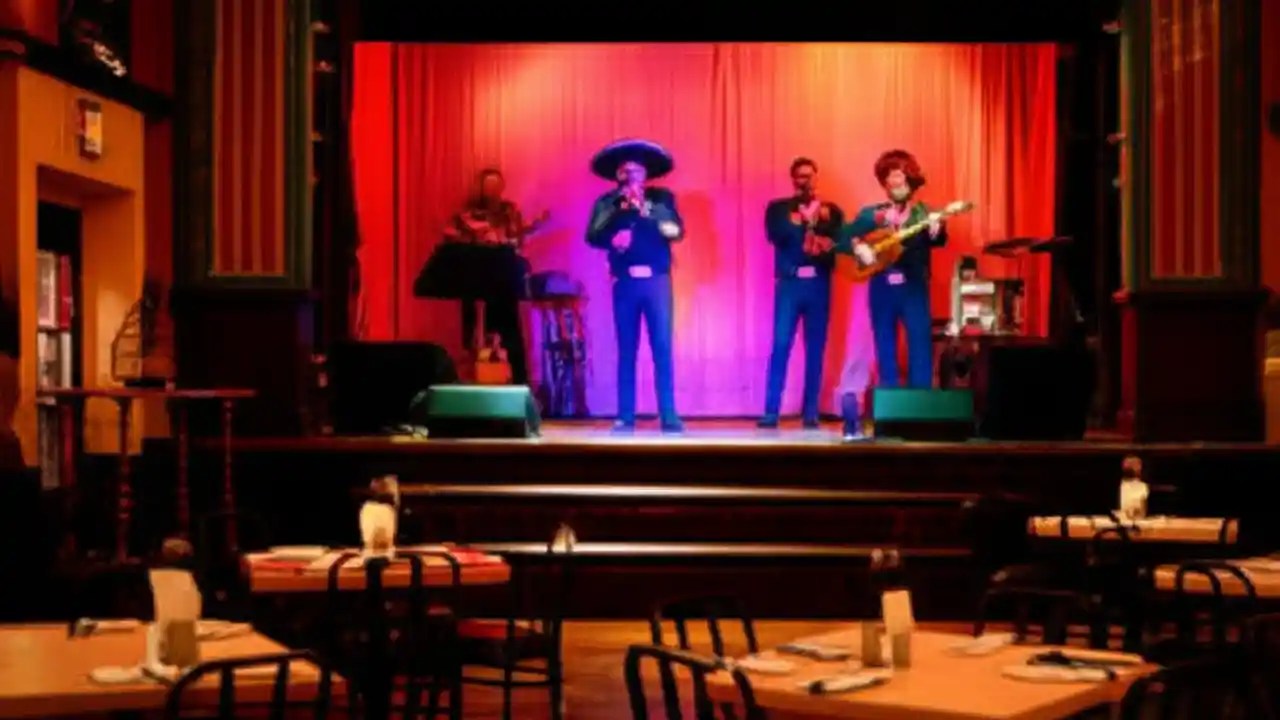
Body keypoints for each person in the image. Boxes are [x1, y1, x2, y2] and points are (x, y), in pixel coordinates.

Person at [585, 139, 685, 433]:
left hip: (656, 282)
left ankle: (668, 414)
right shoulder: (607, 203)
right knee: (626, 349)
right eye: (626, 172)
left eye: (637, 171)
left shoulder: (662, 199)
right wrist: (612, 234)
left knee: (662, 347)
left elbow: (676, 231)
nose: (632, 177)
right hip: (625, 283)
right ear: (618, 174)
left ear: (646, 174)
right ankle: (625, 415)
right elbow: (592, 235)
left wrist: (646, 209)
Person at [839, 149, 946, 390]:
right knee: (884, 345)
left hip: (914, 287)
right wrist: (858, 247)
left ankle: (920, 407)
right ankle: (890, 406)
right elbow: (844, 237)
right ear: (884, 182)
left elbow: (939, 240)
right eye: (891, 176)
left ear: (910, 179)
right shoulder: (872, 214)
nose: (896, 181)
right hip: (882, 287)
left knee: (919, 344)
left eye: (901, 175)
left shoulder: (925, 213)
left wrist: (937, 228)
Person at [760, 157, 844, 429]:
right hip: (790, 283)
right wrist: (800, 222)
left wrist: (818, 223)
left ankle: (811, 412)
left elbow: (837, 240)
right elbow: (776, 234)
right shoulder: (778, 209)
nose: (804, 179)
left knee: (816, 348)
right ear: (793, 179)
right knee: (781, 344)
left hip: (818, 284)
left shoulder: (831, 210)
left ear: (816, 178)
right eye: (799, 175)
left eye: (809, 175)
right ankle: (771, 411)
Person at [442, 169, 548, 385]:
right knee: (475, 337)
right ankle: (472, 383)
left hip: (503, 282)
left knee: (511, 336)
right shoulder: (468, 215)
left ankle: (520, 384)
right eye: (488, 185)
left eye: (496, 185)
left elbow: (518, 234)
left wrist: (534, 225)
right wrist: (474, 240)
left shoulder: (509, 211)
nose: (493, 190)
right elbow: (450, 234)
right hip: (476, 282)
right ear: (481, 188)